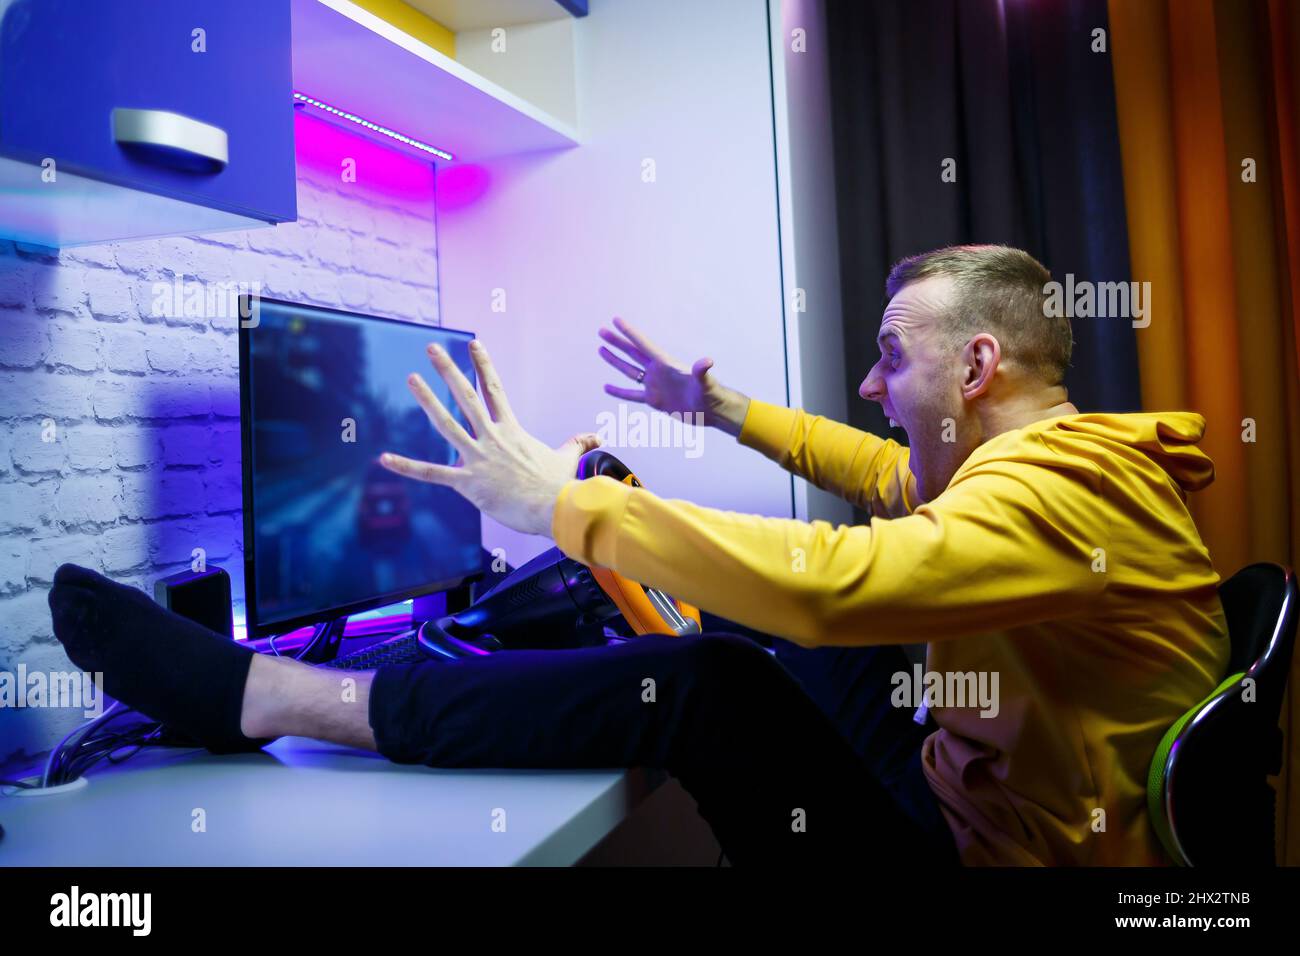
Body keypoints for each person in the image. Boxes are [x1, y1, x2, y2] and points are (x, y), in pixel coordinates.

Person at [49, 245, 1227, 866]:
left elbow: (836, 582)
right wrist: (710, 406)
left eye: (890, 358)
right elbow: (866, 474)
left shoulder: (1064, 491)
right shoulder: (1042, 463)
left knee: (710, 683)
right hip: (975, 797)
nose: (870, 387)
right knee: (738, 638)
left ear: (974, 370)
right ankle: (617, 652)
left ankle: (268, 693)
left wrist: (565, 506)